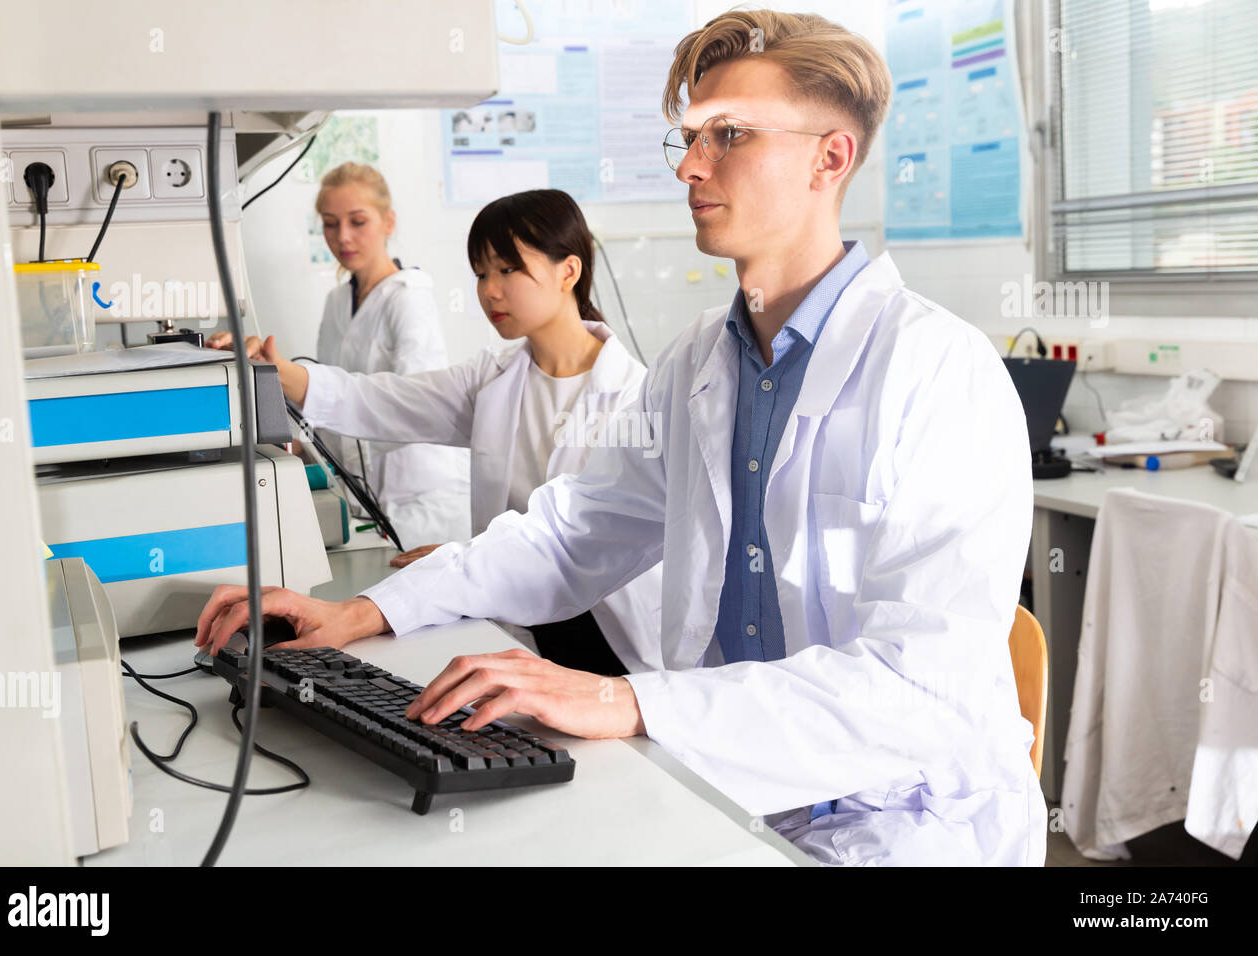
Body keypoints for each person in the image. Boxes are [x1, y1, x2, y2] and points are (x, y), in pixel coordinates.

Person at [197, 11, 1046, 865]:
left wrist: (628, 701)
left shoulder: (941, 373)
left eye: (731, 135)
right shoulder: (693, 369)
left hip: (902, 819)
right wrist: (365, 611)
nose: (689, 166)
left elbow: (916, 688)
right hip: (723, 792)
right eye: (687, 137)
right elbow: (574, 535)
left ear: (831, 157)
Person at [203, 189, 661, 676]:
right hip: (520, 615)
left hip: (610, 636)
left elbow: (572, 542)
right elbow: (381, 400)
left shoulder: (636, 398)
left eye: (508, 269)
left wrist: (462, 556)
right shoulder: (492, 378)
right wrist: (276, 371)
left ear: (568, 271)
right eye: (482, 273)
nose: (490, 290)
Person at [211, 161, 471, 546]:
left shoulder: (409, 297)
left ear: (388, 222)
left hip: (424, 499)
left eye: (357, 221)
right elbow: (327, 398)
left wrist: (293, 384)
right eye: (330, 224)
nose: (343, 236)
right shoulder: (337, 302)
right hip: (365, 500)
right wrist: (292, 442)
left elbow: (414, 406)